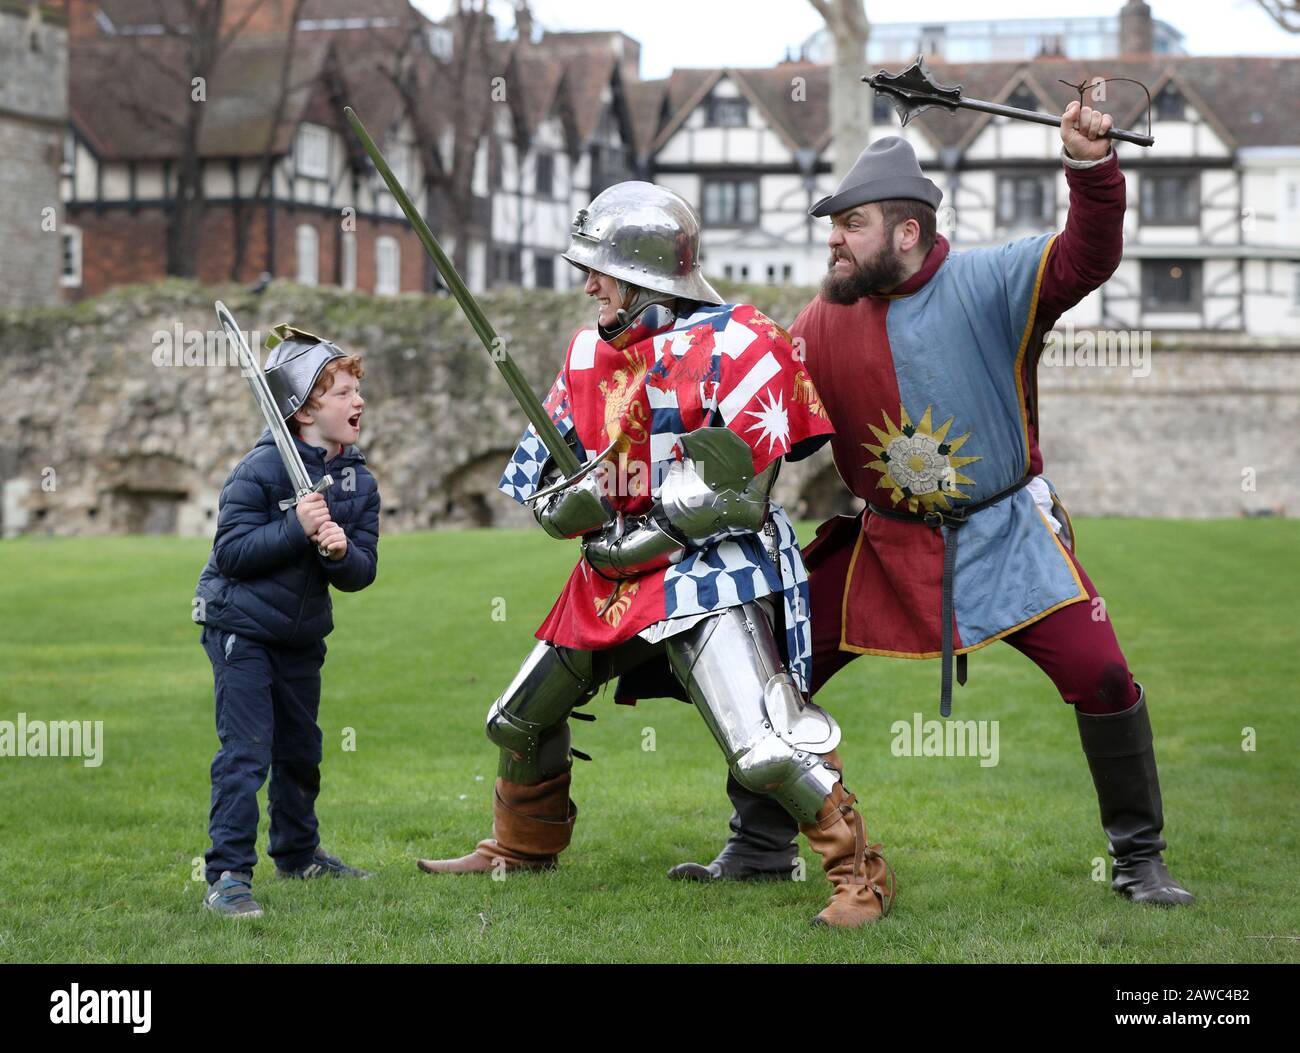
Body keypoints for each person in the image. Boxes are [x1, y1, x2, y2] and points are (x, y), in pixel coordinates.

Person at [670, 102, 1194, 908]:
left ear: (906, 233)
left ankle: (1139, 859)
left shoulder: (992, 282)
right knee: (775, 664)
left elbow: (1086, 256)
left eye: (851, 224)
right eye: (834, 224)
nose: (834, 239)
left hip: (1007, 535)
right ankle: (761, 843)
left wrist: (1091, 168)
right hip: (885, 546)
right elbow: (780, 426)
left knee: (1103, 673)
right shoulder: (819, 322)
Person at [416, 181, 894, 927]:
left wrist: (648, 528)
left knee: (764, 747)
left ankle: (859, 875)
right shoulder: (586, 353)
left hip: (711, 567)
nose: (587, 285)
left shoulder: (742, 342)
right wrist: (565, 503)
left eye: (598, 270)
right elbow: (547, 475)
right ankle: (521, 846)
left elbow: (741, 491)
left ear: (642, 274)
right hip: (609, 571)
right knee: (517, 720)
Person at [195, 324, 380, 918]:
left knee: (301, 749)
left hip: (300, 634)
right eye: (342, 392)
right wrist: (295, 528)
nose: (358, 401)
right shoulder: (261, 470)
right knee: (246, 751)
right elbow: (232, 554)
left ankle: (298, 855)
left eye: (357, 390)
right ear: (303, 411)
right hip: (238, 628)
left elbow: (362, 571)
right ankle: (226, 876)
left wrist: (338, 552)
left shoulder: (359, 481)